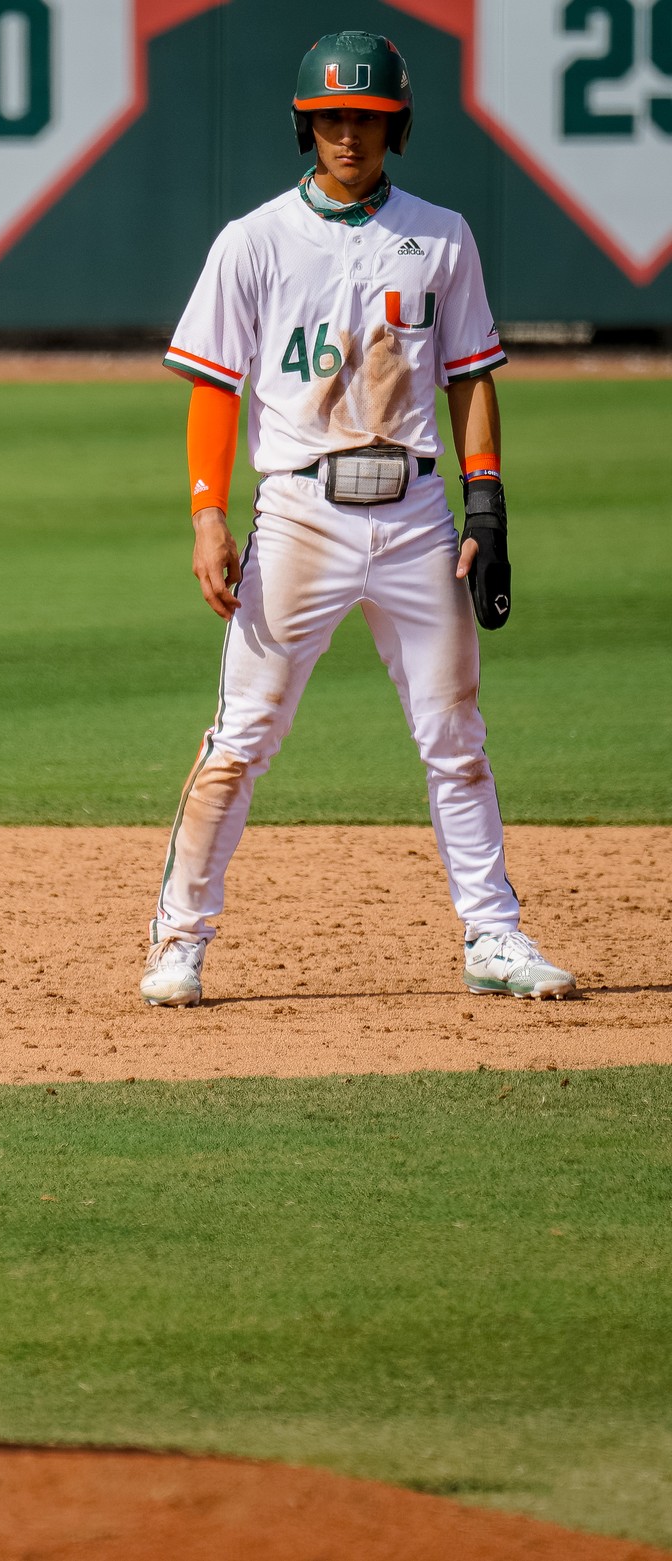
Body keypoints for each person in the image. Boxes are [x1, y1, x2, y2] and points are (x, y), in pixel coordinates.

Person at [141, 31, 575, 1008]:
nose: (348, 134)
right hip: (299, 515)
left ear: (397, 126)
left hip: (417, 514)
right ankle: (178, 940)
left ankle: (492, 934)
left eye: (367, 118)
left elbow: (469, 377)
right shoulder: (253, 241)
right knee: (241, 738)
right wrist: (207, 512)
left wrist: (487, 501)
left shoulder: (442, 236)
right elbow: (213, 389)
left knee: (454, 734)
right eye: (332, 117)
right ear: (305, 125)